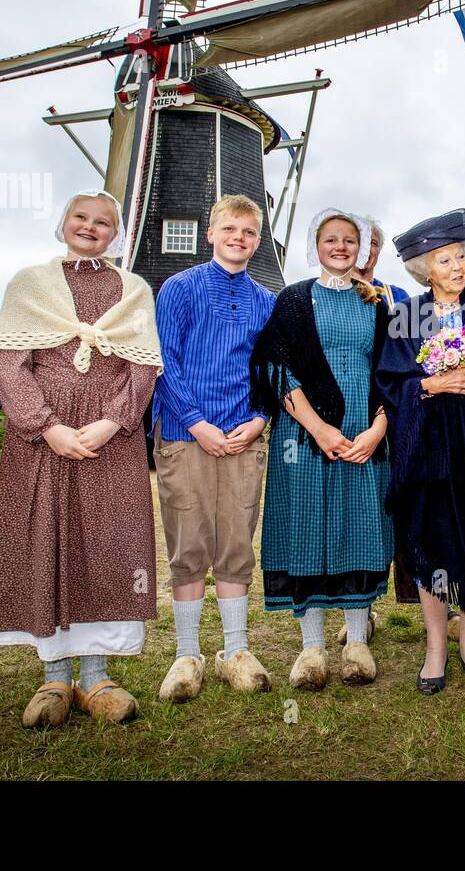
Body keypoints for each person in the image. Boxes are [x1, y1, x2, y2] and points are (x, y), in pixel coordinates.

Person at [0, 190, 162, 727]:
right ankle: (54, 677)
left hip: (111, 438)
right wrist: (46, 427)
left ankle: (96, 675)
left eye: (104, 221)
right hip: (44, 440)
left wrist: (109, 423)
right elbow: (11, 366)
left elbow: (142, 367)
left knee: (106, 544)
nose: (91, 226)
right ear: (62, 223)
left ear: (117, 233)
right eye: (80, 217)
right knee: (46, 540)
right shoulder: (29, 285)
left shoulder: (132, 289)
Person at [251, 208, 395, 689]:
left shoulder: (376, 302)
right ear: (316, 245)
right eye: (330, 239)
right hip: (306, 433)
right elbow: (277, 369)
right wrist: (316, 427)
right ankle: (312, 648)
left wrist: (376, 430)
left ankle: (356, 642)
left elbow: (392, 372)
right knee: (306, 525)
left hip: (363, 428)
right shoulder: (293, 300)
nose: (339, 247)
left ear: (360, 248)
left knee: (359, 522)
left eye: (348, 241)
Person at [151, 194, 276, 704]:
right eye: (229, 229)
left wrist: (260, 419)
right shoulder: (178, 288)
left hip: (244, 437)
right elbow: (163, 361)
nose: (238, 238)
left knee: (235, 543)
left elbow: (273, 369)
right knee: (189, 544)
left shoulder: (266, 300)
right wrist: (195, 422)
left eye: (248, 231)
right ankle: (187, 653)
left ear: (257, 238)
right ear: (210, 232)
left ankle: (236, 650)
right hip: (187, 436)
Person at [376, 210, 465, 694]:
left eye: (461, 256)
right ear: (424, 269)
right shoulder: (407, 315)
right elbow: (389, 382)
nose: (457, 266)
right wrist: (433, 383)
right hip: (426, 447)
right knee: (432, 541)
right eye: (445, 259)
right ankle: (435, 646)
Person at [357, 216, 410, 307]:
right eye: (360, 241)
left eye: (372, 243)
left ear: (379, 251)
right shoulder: (329, 292)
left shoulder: (398, 296)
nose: (366, 249)